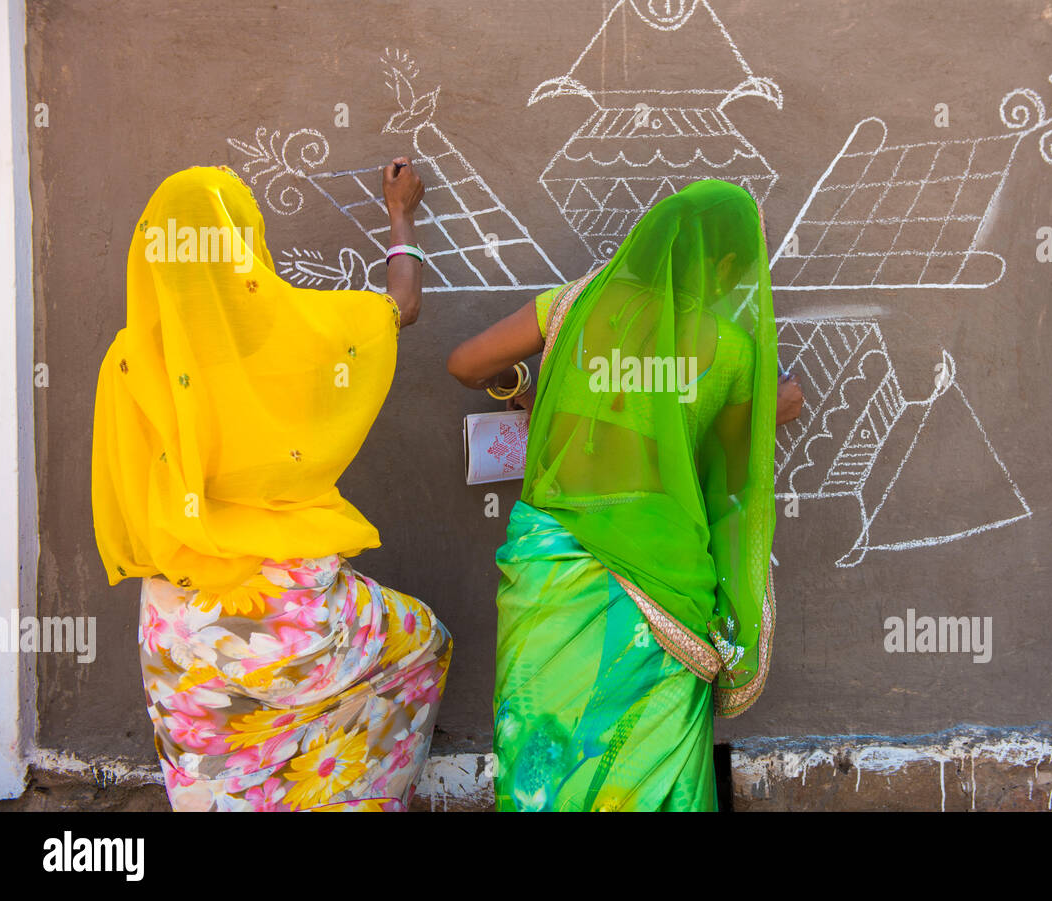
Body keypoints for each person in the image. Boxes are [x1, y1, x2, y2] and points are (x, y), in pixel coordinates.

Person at [91, 161, 452, 811]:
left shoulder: (127, 363)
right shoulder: (295, 336)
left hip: (177, 624)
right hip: (293, 615)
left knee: (213, 763)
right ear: (247, 242)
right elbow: (402, 304)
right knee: (422, 642)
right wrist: (401, 213)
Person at [448, 178, 803, 810]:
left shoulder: (570, 307)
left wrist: (525, 386)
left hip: (551, 566)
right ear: (722, 266)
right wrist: (777, 409)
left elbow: (465, 364)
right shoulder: (730, 350)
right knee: (646, 763)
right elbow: (724, 460)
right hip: (663, 577)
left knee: (543, 743)